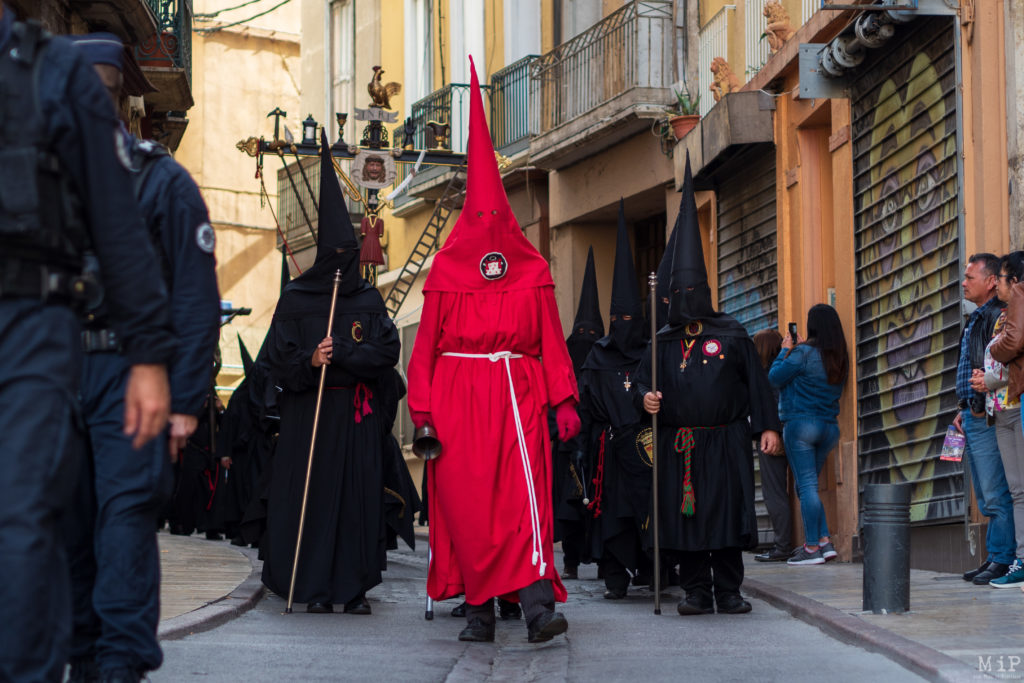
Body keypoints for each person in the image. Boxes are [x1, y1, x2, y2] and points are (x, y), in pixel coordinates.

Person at [0, 9, 175, 681]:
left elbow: (115, 220)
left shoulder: (54, 72)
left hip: (29, 325)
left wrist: (150, 357)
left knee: (19, 521)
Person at [64, 33, 221, 683]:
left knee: (124, 520)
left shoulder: (162, 182)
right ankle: (81, 655)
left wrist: (185, 400)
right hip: (53, 378)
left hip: (134, 375)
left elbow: (193, 298)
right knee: (65, 528)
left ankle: (119, 663)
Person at [407, 58, 580, 644]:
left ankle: (535, 609)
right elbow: (425, 349)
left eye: (492, 214)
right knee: (467, 506)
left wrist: (562, 400)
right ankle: (479, 612)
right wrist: (423, 410)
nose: (485, 224)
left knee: (523, 499)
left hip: (517, 397)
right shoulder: (444, 274)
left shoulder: (531, 271)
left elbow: (550, 340)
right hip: (458, 404)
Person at [261, 129, 400, 615]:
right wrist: (310, 361)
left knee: (356, 501)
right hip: (308, 415)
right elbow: (277, 361)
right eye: (335, 257)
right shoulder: (296, 300)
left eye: (350, 256)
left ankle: (353, 587)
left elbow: (387, 353)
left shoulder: (367, 299)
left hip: (355, 416)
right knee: (314, 499)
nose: (344, 266)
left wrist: (340, 350)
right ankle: (314, 586)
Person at [638, 154, 780, 616]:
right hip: (678, 445)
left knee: (726, 516)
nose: (687, 302)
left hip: (725, 442)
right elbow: (640, 387)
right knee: (686, 520)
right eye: (680, 296)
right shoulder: (661, 341)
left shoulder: (732, 333)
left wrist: (768, 427)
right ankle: (697, 591)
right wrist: (648, 399)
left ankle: (730, 591)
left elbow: (757, 384)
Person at [579, 201, 649, 600]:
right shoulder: (597, 357)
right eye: (616, 321)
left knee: (647, 511)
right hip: (608, 453)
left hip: (645, 448)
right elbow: (587, 408)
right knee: (612, 515)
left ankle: (651, 569)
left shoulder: (650, 354)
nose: (623, 329)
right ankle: (615, 576)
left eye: (629, 321)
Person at [768, 305, 848, 566]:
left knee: (807, 485)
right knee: (806, 485)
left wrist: (784, 350)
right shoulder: (838, 356)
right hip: (829, 427)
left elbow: (775, 377)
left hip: (801, 424)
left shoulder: (801, 353)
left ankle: (811, 547)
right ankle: (824, 541)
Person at [954, 254, 1015, 586]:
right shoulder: (976, 317)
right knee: (986, 491)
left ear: (992, 281)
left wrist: (976, 404)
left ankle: (1003, 558)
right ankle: (995, 555)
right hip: (972, 411)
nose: (964, 282)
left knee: (995, 491)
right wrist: (962, 407)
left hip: (986, 411)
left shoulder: (994, 315)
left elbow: (988, 367)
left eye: (970, 277)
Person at [553, 245, 603, 580]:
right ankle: (571, 561)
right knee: (571, 508)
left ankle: (602, 560)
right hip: (568, 446)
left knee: (600, 506)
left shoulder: (605, 359)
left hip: (599, 444)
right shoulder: (565, 358)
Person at [979, 251, 1024, 588]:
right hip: (1001, 407)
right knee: (1016, 489)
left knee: (1018, 489)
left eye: (1005, 278)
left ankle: (1017, 558)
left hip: (1015, 402)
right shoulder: (1003, 313)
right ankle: (1019, 559)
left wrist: (995, 350)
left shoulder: (1018, 304)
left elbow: (1010, 345)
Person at [751, 329, 793, 563]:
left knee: (774, 491)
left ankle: (782, 546)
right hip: (796, 430)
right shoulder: (787, 370)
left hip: (773, 435)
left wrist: (772, 432)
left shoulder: (764, 376)